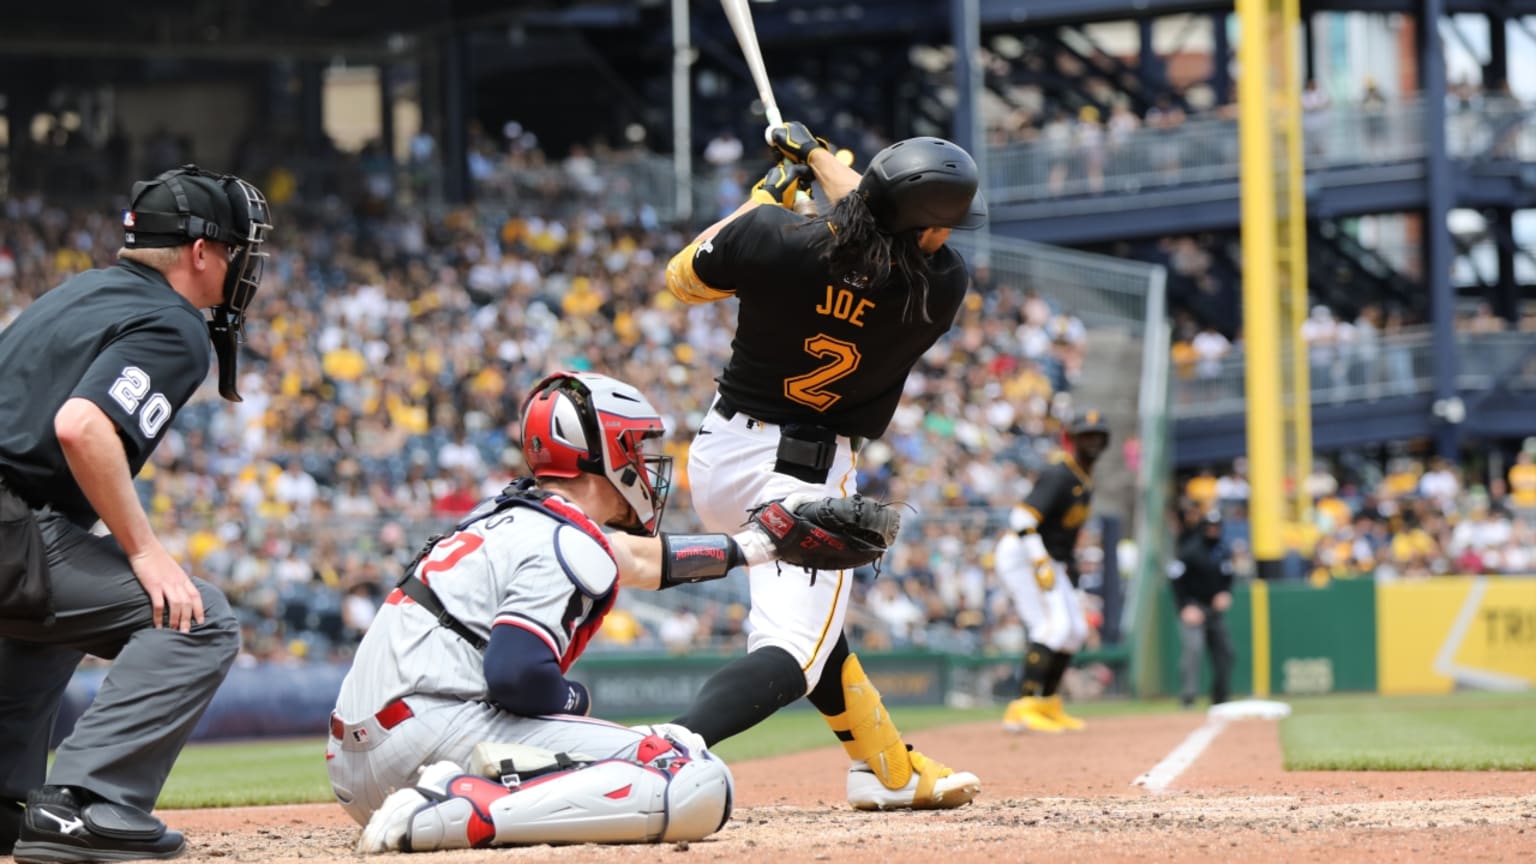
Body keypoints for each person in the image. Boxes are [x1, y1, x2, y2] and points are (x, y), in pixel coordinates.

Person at [338, 371, 875, 852]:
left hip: (360, 763)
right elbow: (517, 676)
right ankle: (462, 811)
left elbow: (643, 560)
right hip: (430, 741)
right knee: (692, 776)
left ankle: (449, 801)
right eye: (637, 447)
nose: (646, 463)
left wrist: (759, 545)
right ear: (608, 454)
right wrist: (576, 698)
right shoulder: (568, 537)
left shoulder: (505, 516)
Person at [661, 121, 986, 811]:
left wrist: (769, 192)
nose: (952, 237)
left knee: (817, 629)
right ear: (928, 231)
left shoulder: (773, 237)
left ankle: (887, 767)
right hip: (804, 483)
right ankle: (667, 748)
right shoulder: (939, 287)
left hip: (719, 457)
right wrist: (814, 158)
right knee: (794, 657)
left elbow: (682, 277)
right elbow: (876, 225)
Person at [0, 165, 273, 863]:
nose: (246, 266)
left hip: (19, 525)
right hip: (9, 521)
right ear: (201, 252)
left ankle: (10, 803)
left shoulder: (79, 293)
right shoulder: (176, 323)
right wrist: (148, 551)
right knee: (197, 620)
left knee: (53, 618)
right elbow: (82, 425)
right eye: (240, 249)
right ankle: (86, 805)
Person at [994, 409, 1111, 734]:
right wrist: (1040, 561)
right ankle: (1021, 707)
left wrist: (1069, 576)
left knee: (1075, 631)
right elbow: (1021, 518)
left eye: (1097, 436)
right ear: (1072, 439)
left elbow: (1066, 538)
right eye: (1086, 436)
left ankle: (1047, 703)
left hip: (1051, 560)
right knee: (1050, 627)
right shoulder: (1061, 474)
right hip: (1023, 556)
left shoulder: (1085, 478)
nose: (1093, 442)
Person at [1169, 509, 1235, 708]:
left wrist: (1225, 592)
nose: (1213, 531)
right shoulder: (1189, 550)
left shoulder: (1223, 550)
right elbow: (1175, 580)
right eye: (1210, 527)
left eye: (1217, 527)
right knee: (1193, 649)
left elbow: (1228, 577)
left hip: (1214, 610)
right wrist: (1184, 607)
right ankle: (1188, 696)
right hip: (1193, 607)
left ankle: (1220, 696)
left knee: (1226, 651)